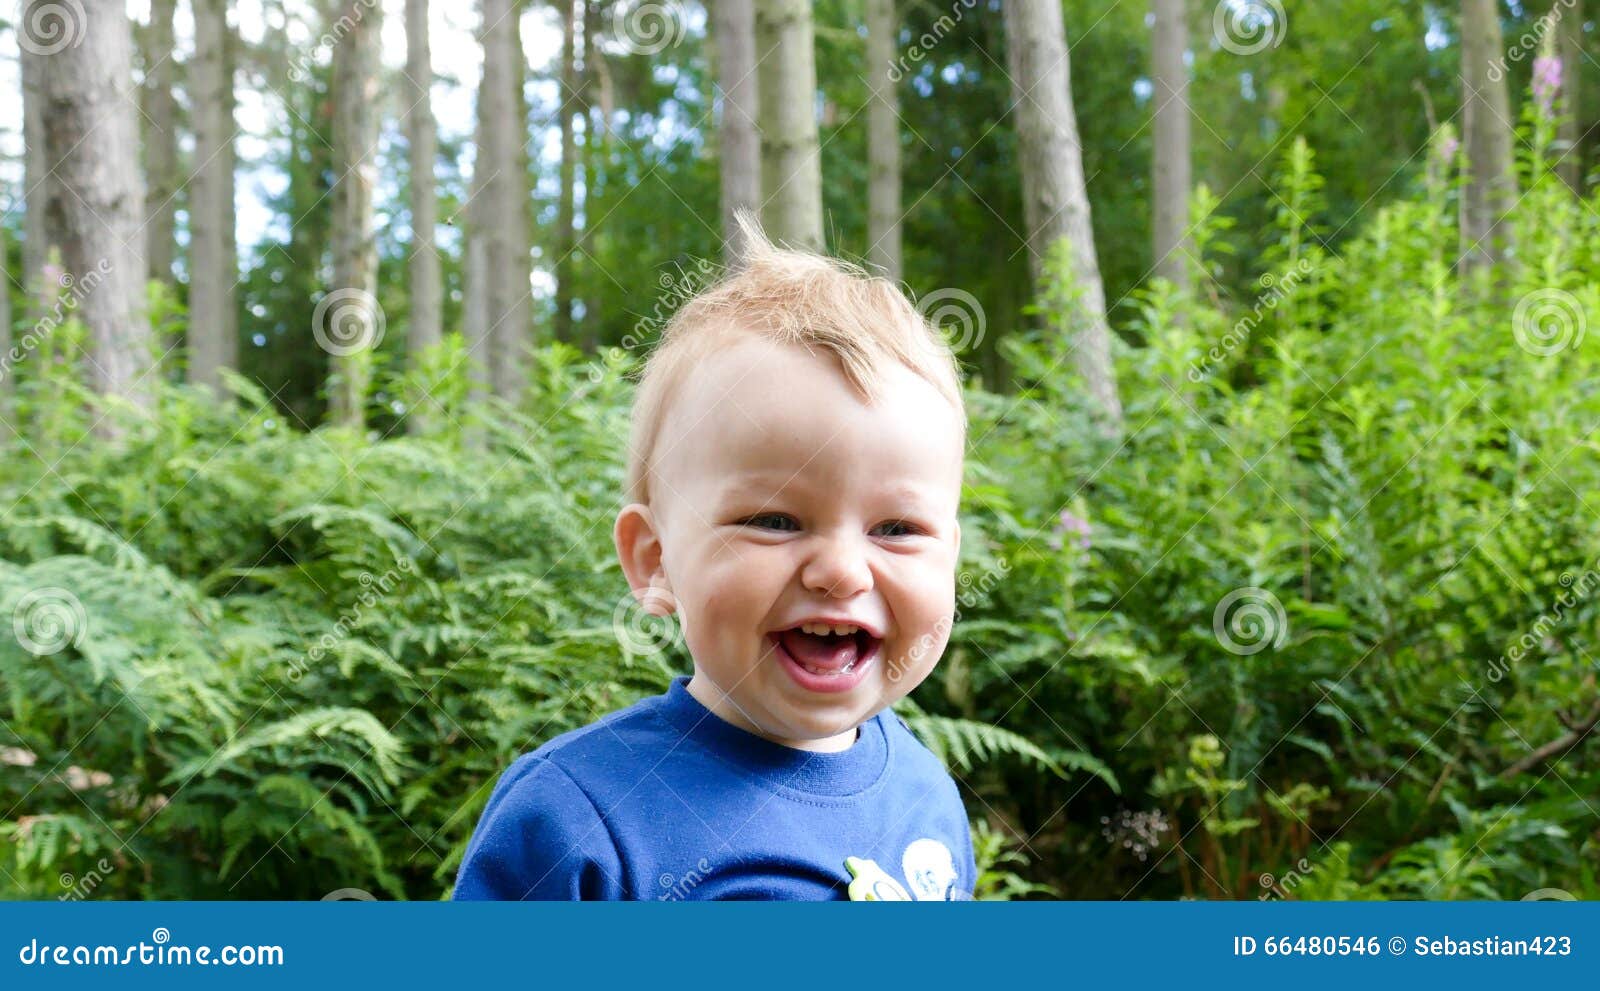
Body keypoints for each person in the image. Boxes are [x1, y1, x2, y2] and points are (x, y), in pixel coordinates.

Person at [453, 218, 975, 900]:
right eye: (774, 520)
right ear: (656, 560)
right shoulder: (578, 820)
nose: (843, 570)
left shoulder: (925, 794)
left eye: (898, 528)